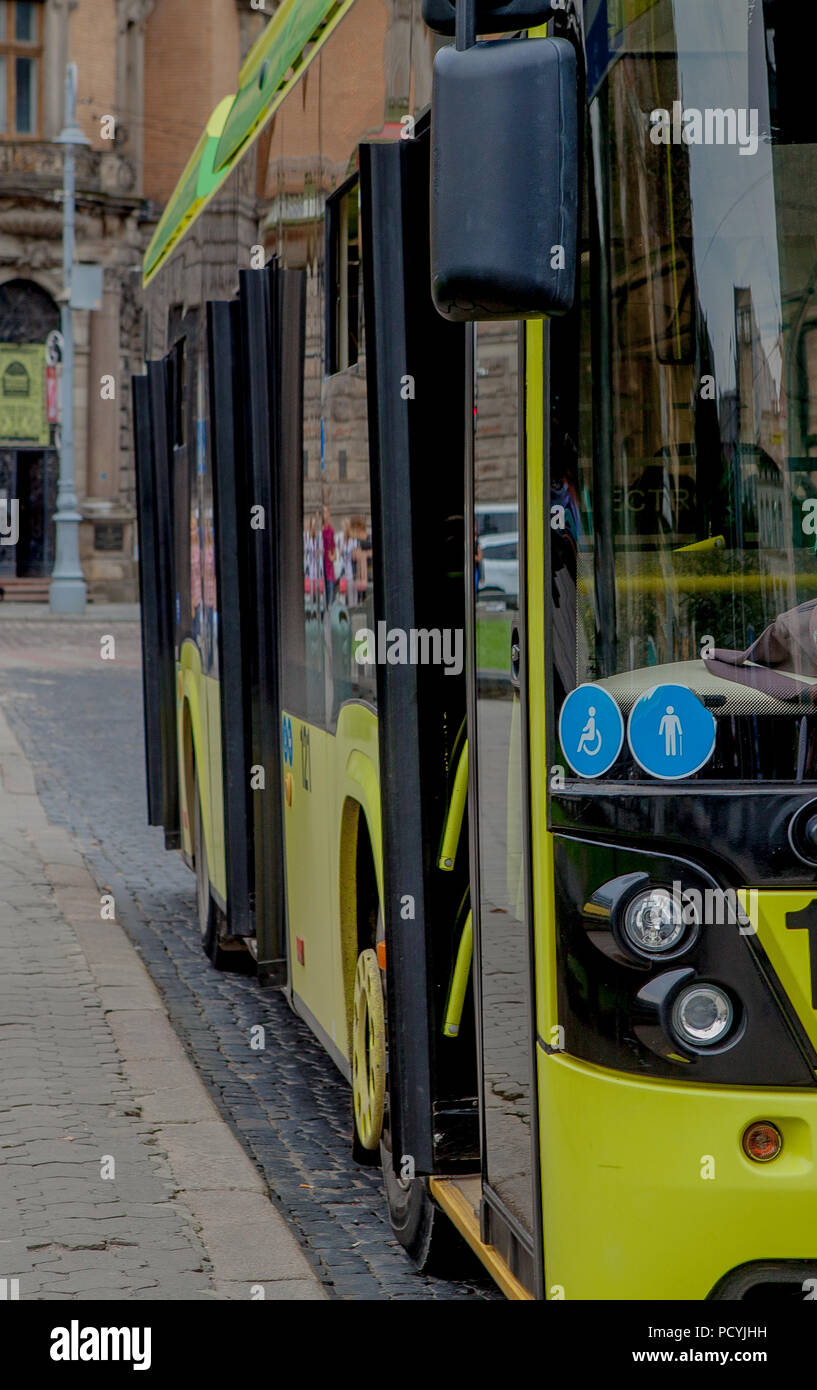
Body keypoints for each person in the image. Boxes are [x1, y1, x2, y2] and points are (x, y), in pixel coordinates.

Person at [322, 503, 336, 608]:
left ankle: (330, 607)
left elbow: (333, 545)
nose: (324, 515)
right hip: (321, 560)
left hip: (328, 560)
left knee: (330, 584)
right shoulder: (319, 529)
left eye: (326, 512)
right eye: (323, 512)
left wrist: (333, 556)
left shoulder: (330, 530)